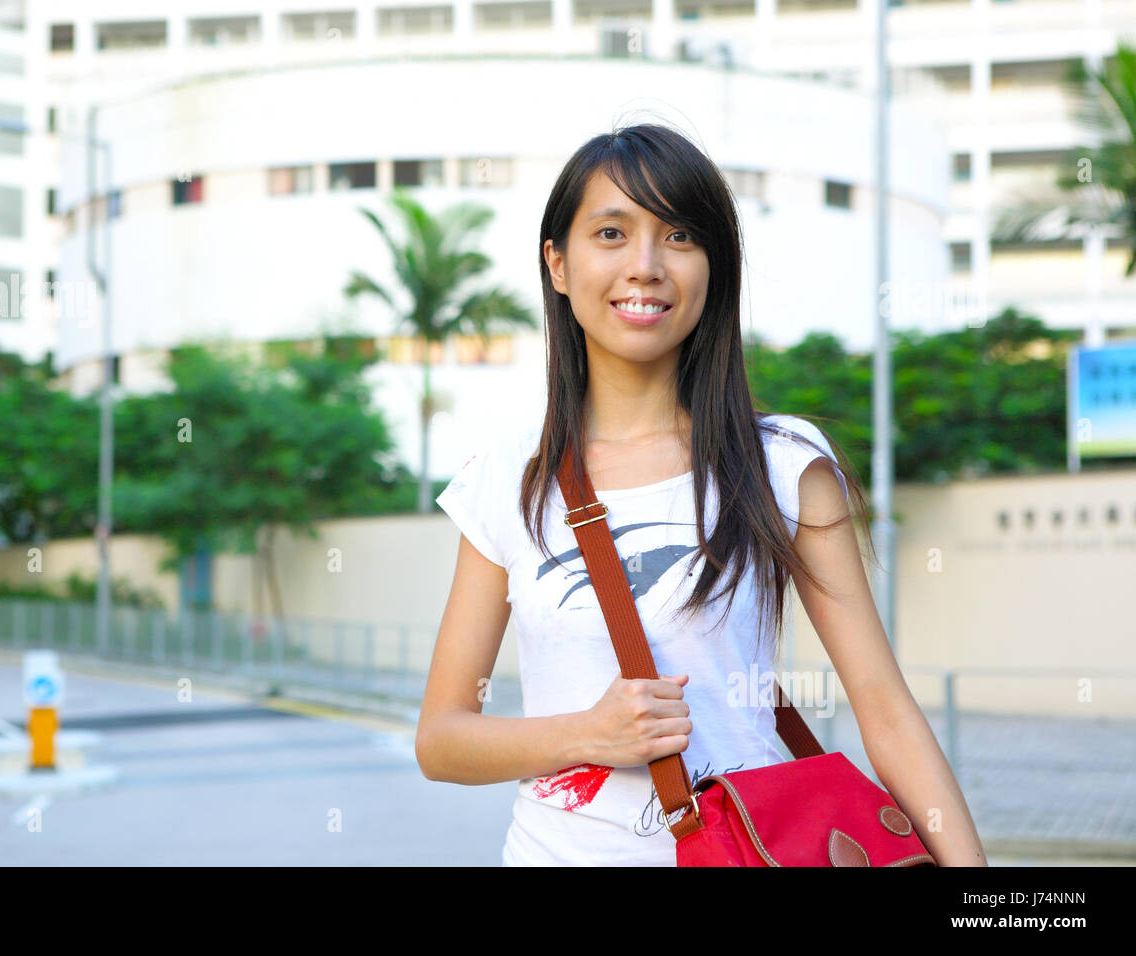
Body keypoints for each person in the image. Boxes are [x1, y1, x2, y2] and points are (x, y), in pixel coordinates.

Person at [416, 122, 986, 867]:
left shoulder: (782, 465)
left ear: (714, 265)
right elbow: (441, 738)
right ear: (557, 263)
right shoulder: (507, 479)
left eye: (680, 236)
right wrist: (587, 734)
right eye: (612, 233)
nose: (645, 266)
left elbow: (884, 709)